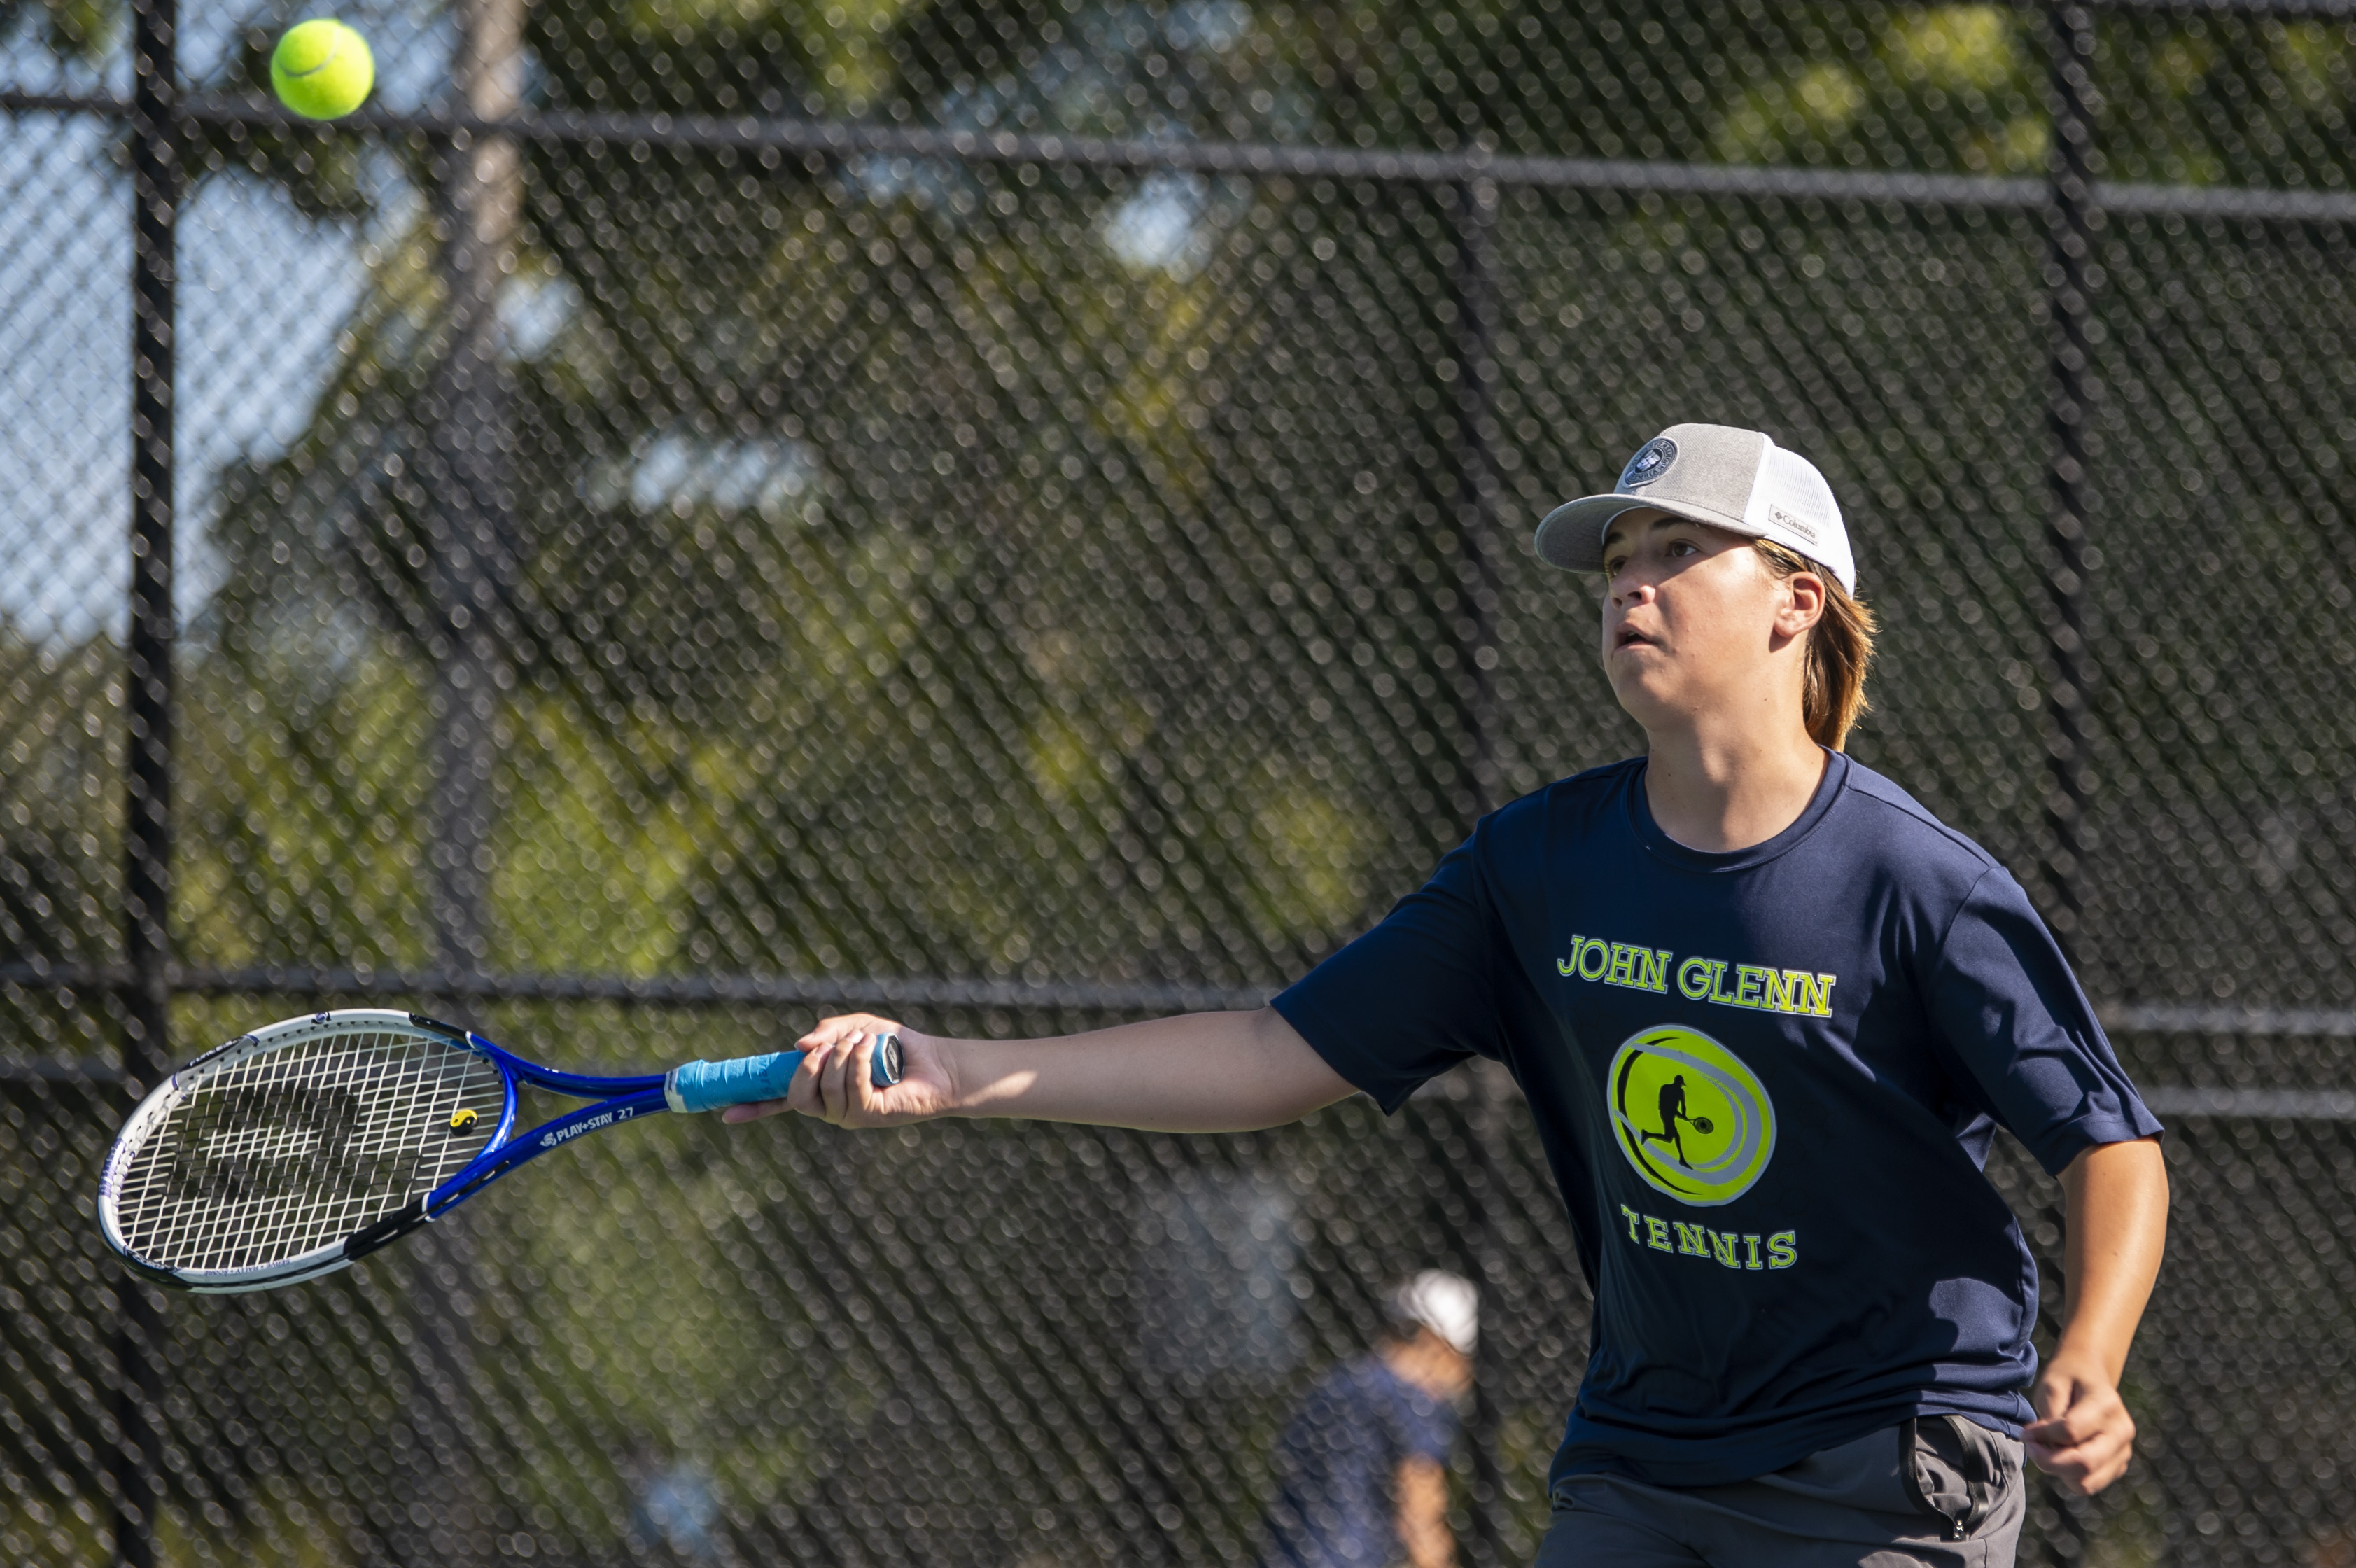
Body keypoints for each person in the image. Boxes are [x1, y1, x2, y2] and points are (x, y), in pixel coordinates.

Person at [728, 423, 2170, 1566]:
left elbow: (2111, 1142)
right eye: (1617, 557)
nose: (1629, 581)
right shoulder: (1536, 869)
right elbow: (1272, 1049)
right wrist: (956, 1069)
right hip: (1645, 1456)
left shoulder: (1918, 882)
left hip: (1888, 1455)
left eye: (1677, 549)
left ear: (1798, 601)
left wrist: (2092, 1355)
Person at [1257, 1270, 1477, 1568]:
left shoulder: (1336, 1383)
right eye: (1466, 1357)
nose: (1468, 1373)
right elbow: (1420, 1515)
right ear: (1437, 1343)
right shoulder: (1417, 1403)